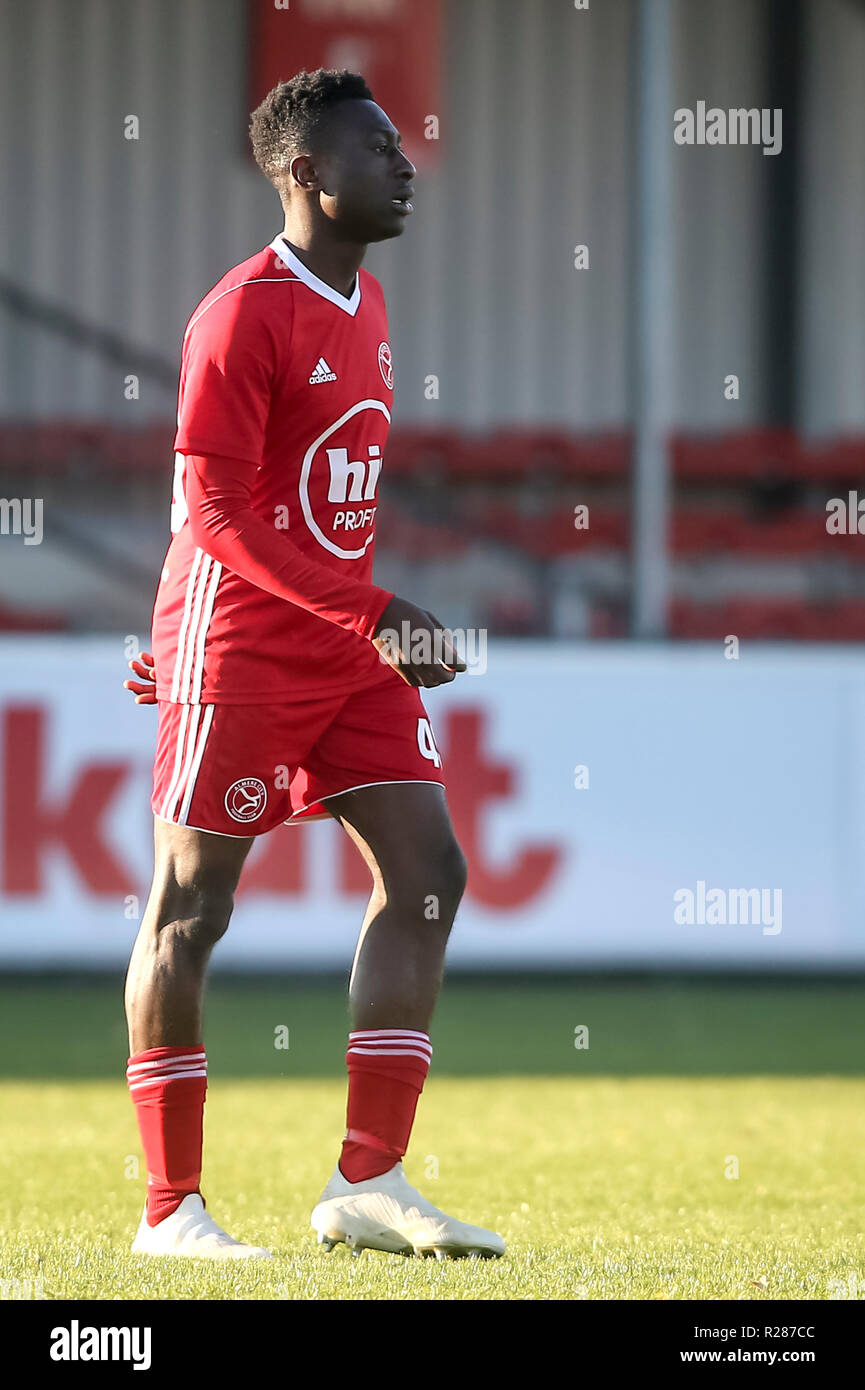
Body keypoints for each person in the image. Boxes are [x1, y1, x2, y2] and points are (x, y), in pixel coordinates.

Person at [122, 68, 504, 1261]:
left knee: (430, 870)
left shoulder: (368, 302)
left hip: (342, 651)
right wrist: (369, 608)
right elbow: (219, 515)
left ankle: (368, 1179)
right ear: (305, 174)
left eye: (397, 143)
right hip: (242, 649)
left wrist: (360, 620)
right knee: (193, 909)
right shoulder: (237, 315)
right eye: (375, 147)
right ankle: (169, 1209)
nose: (401, 162)